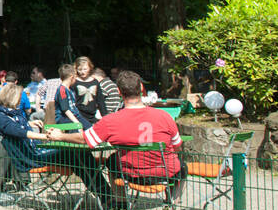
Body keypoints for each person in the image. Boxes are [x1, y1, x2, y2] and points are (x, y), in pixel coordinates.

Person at [45, 69, 186, 201]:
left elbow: (86, 140)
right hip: (165, 172)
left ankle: (121, 204)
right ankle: (170, 205)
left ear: (119, 91)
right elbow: (177, 147)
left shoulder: (110, 121)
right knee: (182, 167)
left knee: (112, 161)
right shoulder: (164, 116)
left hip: (131, 173)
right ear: (141, 89)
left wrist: (60, 136)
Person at [0, 83, 112, 204]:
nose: (22, 100)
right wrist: (47, 136)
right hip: (32, 156)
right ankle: (105, 195)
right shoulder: (2, 117)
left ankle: (104, 194)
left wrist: (29, 124)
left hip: (34, 151)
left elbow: (15, 128)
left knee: (80, 157)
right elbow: (18, 132)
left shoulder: (9, 113)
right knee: (79, 156)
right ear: (12, 98)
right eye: (20, 97)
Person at [52, 63, 88, 129]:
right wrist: (77, 123)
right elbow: (65, 109)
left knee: (90, 128)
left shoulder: (71, 89)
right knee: (77, 130)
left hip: (75, 116)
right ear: (72, 77)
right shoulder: (62, 90)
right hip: (64, 118)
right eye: (75, 77)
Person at [71, 56, 102, 128]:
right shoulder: (75, 82)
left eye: (85, 69)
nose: (82, 72)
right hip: (79, 114)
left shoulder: (94, 82)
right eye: (80, 69)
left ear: (90, 68)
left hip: (92, 114)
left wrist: (105, 116)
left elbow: (100, 100)